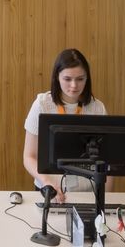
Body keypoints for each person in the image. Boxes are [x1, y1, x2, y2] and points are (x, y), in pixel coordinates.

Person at [22, 48, 108, 200]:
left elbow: (107, 160)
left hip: (88, 191)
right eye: (67, 79)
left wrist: (105, 197)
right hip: (51, 189)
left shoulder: (97, 108)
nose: (74, 85)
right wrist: (47, 182)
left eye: (80, 79)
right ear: (57, 77)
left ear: (87, 78)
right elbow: (29, 157)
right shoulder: (42, 104)